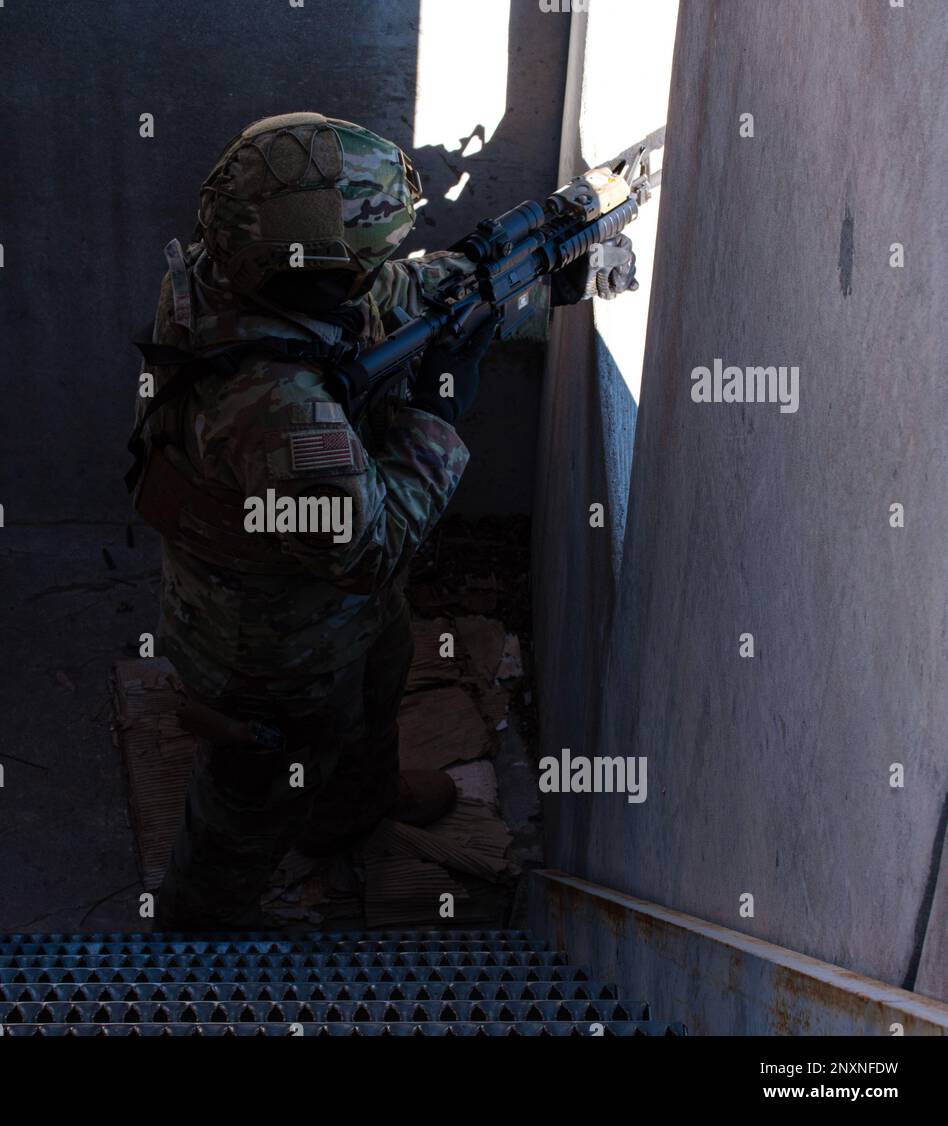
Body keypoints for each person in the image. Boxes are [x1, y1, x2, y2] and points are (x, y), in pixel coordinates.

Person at [127, 112, 636, 929]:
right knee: (250, 798)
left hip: (327, 611)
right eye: (368, 255)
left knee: (377, 680)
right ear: (321, 270)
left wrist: (528, 286)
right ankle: (192, 943)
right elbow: (373, 547)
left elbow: (392, 301)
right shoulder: (282, 416)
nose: (383, 267)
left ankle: (352, 813)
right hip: (270, 650)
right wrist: (436, 410)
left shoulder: (230, 273)